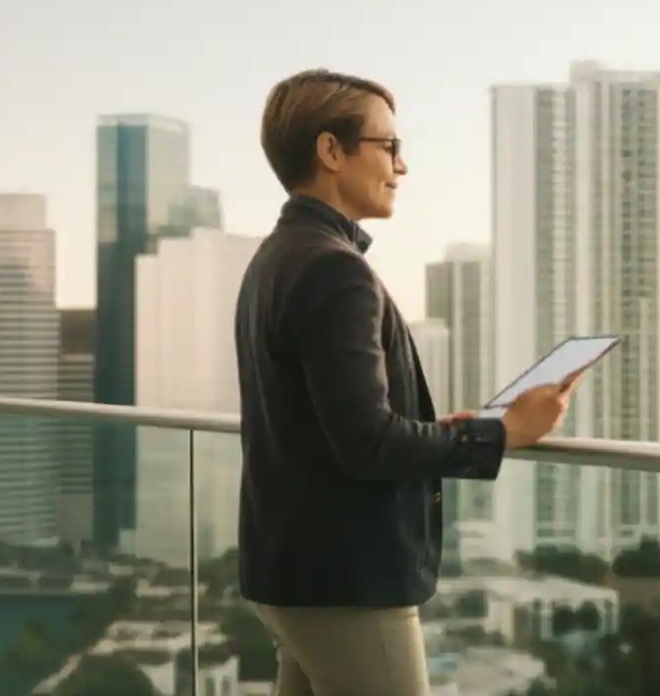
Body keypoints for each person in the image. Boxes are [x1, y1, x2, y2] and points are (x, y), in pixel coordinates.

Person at [233, 68, 574, 695]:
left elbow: (330, 422)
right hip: (346, 585)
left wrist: (434, 430)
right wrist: (506, 435)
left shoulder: (276, 259)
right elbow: (366, 445)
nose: (402, 166)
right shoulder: (336, 272)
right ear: (330, 151)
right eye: (388, 146)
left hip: (292, 572)